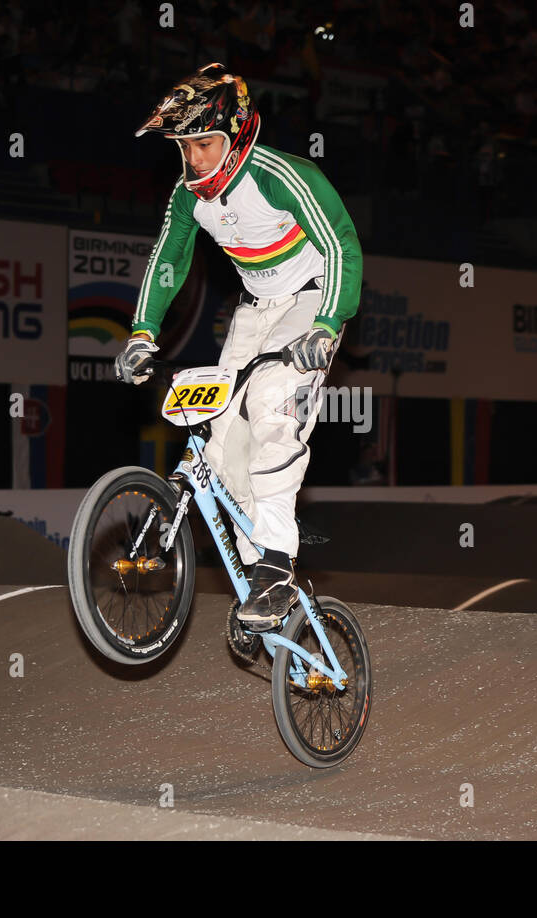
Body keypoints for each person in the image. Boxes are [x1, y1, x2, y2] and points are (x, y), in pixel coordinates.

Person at [115, 63, 363, 630]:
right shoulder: (188, 196)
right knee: (221, 447)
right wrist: (141, 332)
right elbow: (168, 261)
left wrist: (327, 325)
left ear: (235, 134)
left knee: (273, 405)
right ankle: (260, 581)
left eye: (204, 143)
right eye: (184, 147)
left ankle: (278, 564)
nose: (194, 159)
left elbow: (343, 247)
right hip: (254, 311)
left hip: (312, 299)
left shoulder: (280, 174)